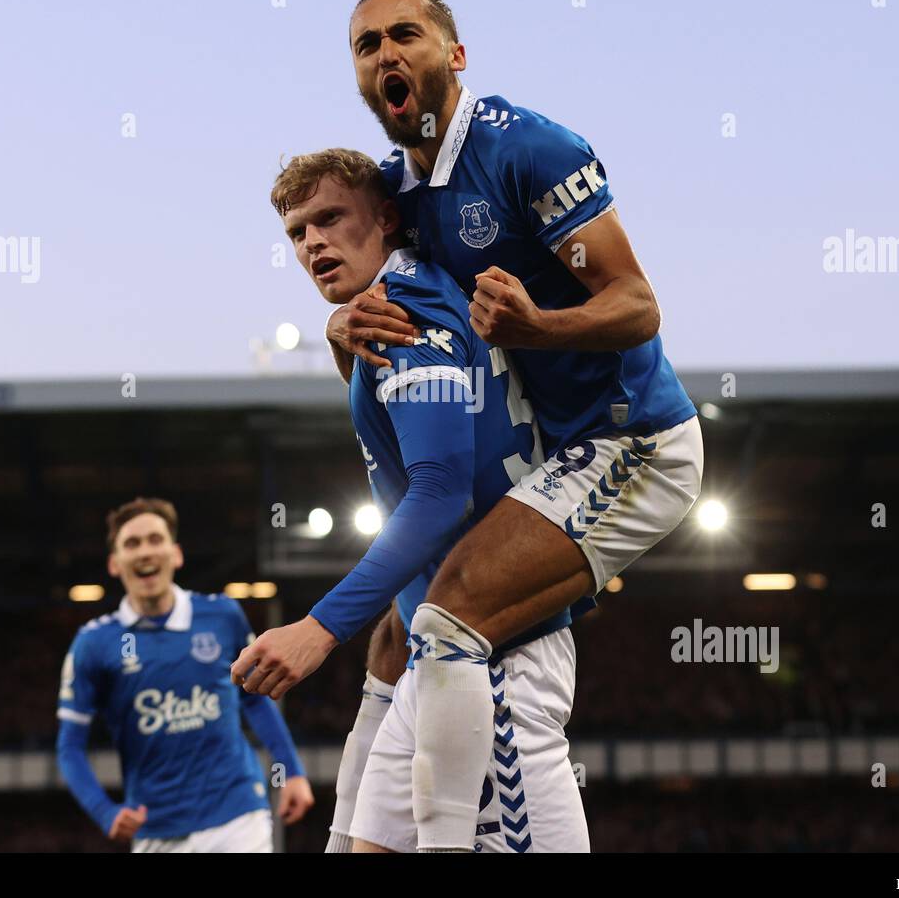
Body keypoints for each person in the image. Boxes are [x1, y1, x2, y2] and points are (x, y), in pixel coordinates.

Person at [235, 148, 590, 852]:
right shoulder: (396, 304)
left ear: (388, 217)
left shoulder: (408, 315)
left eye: (330, 219)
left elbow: (438, 496)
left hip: (496, 665)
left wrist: (318, 628)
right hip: (437, 658)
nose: (313, 244)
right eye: (297, 232)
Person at [57, 497, 313, 852]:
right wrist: (104, 812)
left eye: (155, 539)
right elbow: (69, 747)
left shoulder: (223, 615)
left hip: (237, 814)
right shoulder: (93, 643)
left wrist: (292, 769)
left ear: (176, 554)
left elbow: (253, 701)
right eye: (132, 543)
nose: (145, 551)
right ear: (115, 564)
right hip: (156, 827)